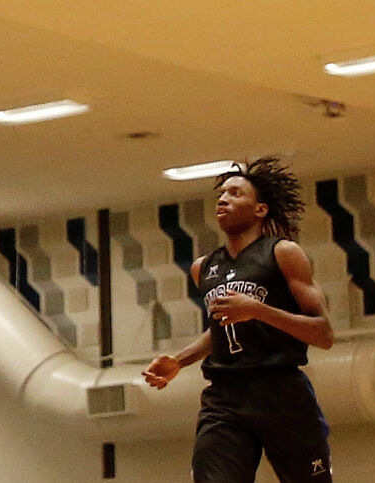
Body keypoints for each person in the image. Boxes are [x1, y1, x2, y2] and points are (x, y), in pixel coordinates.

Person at [142, 157, 335, 483]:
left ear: (260, 210)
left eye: (235, 193)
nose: (223, 199)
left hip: (281, 392)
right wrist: (180, 360)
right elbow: (221, 327)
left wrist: (259, 310)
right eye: (222, 194)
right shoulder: (203, 267)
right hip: (225, 396)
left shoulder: (283, 253)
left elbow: (323, 334)